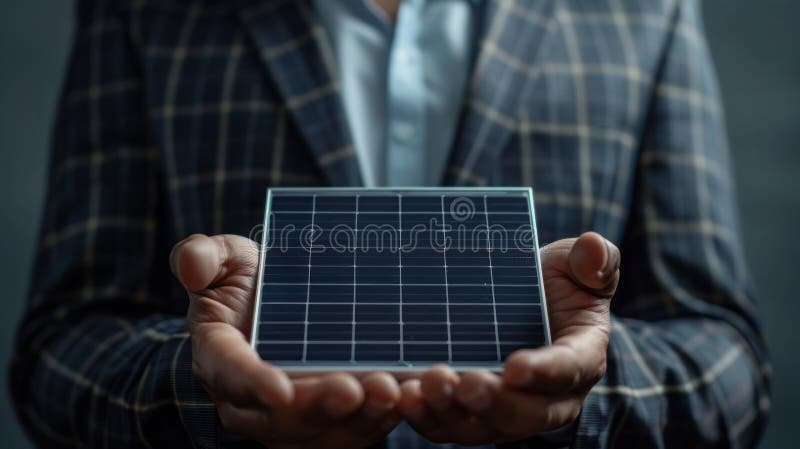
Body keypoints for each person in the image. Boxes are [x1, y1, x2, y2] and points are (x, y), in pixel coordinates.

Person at [10, 0, 770, 448]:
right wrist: (199, 384)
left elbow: (728, 358)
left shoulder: (645, 10)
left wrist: (589, 382)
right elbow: (59, 347)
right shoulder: (144, 10)